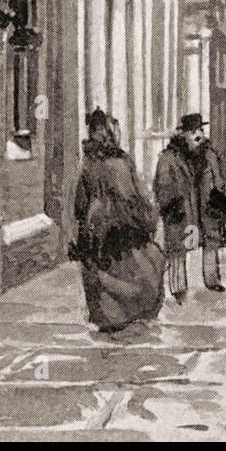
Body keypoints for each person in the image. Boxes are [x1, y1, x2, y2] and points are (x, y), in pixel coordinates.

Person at [70, 109, 165, 332]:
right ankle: (130, 313)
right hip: (122, 227)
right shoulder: (120, 162)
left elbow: (80, 202)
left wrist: (84, 225)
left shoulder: (88, 162)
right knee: (143, 266)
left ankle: (107, 315)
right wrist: (148, 217)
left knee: (102, 271)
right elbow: (134, 196)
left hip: (97, 230)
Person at [155, 113, 226, 299]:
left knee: (211, 242)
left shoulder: (209, 155)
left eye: (201, 130)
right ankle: (178, 287)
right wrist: (170, 205)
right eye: (193, 131)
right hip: (182, 210)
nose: (199, 135)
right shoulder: (169, 157)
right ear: (183, 134)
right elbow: (162, 185)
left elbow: (219, 181)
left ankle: (212, 279)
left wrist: (218, 200)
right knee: (178, 247)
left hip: (205, 209)